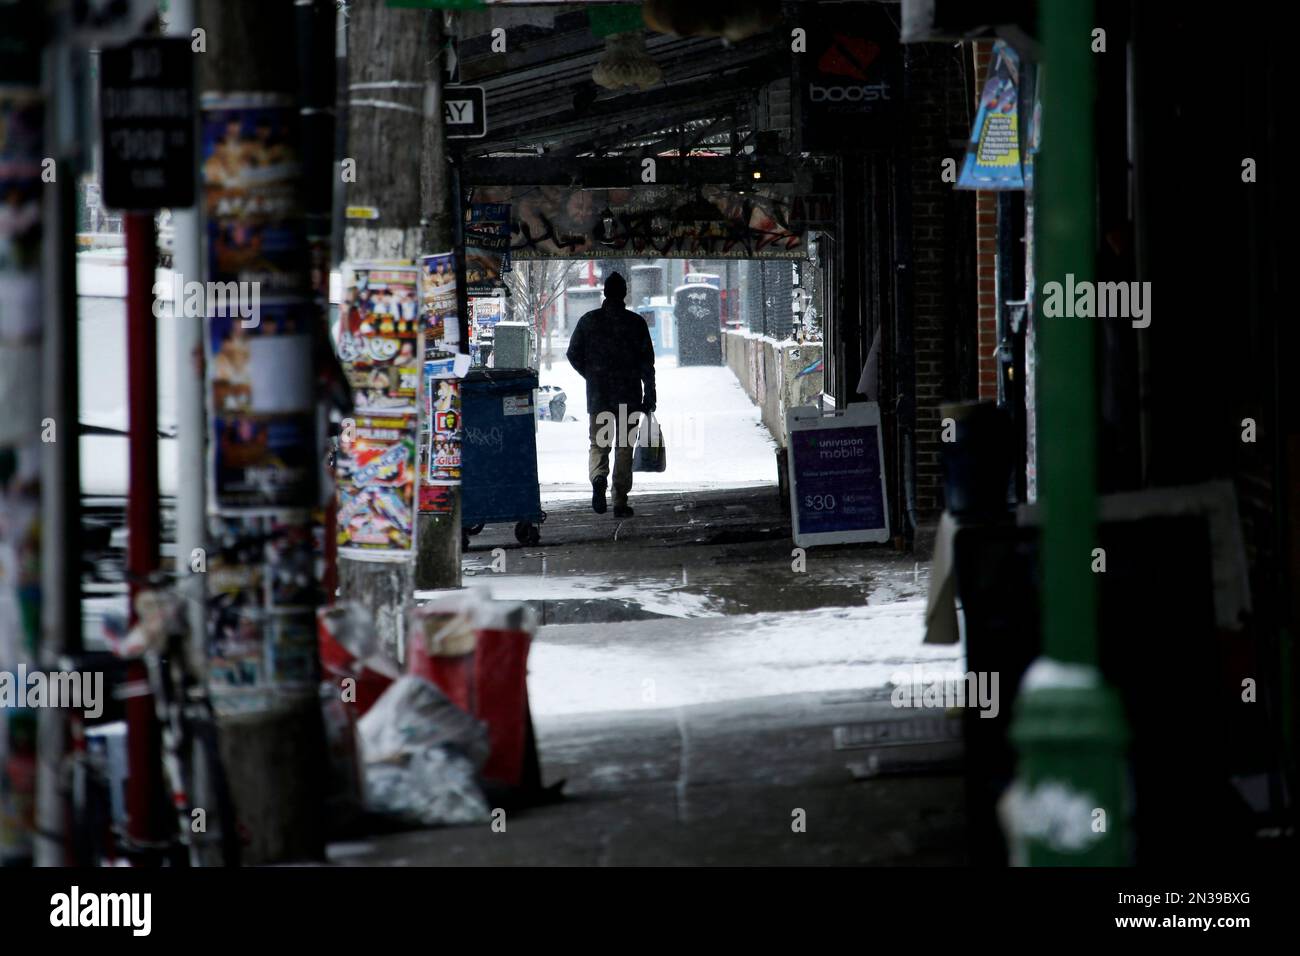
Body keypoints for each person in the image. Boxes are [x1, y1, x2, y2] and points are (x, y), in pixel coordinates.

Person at [566, 271, 656, 517]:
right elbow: (647, 363)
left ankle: (598, 478)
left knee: (600, 443)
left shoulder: (588, 321)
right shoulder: (635, 323)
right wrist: (650, 395)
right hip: (628, 395)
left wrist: (591, 375)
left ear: (604, 293)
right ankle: (619, 500)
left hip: (600, 397)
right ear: (624, 293)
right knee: (624, 447)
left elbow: (572, 354)